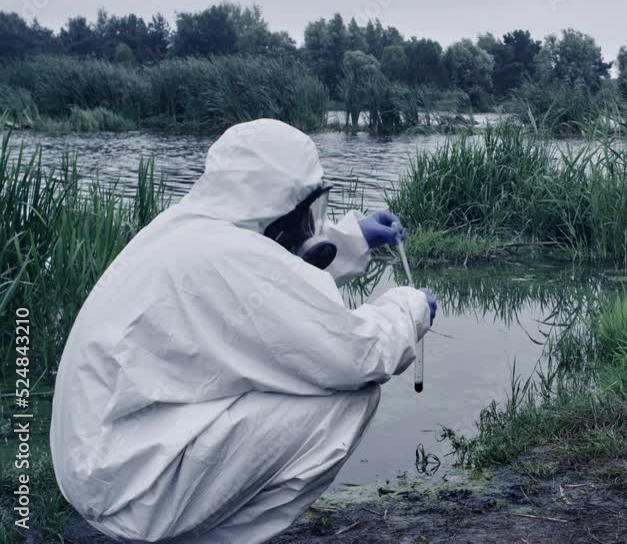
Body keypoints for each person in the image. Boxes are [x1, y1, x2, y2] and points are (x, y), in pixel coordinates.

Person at [50, 119, 437, 543]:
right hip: (129, 491)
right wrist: (410, 309)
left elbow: (276, 285)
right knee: (348, 395)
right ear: (287, 201)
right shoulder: (236, 259)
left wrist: (353, 239)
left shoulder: (186, 228)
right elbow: (357, 355)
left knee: (287, 371)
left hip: (98, 462)